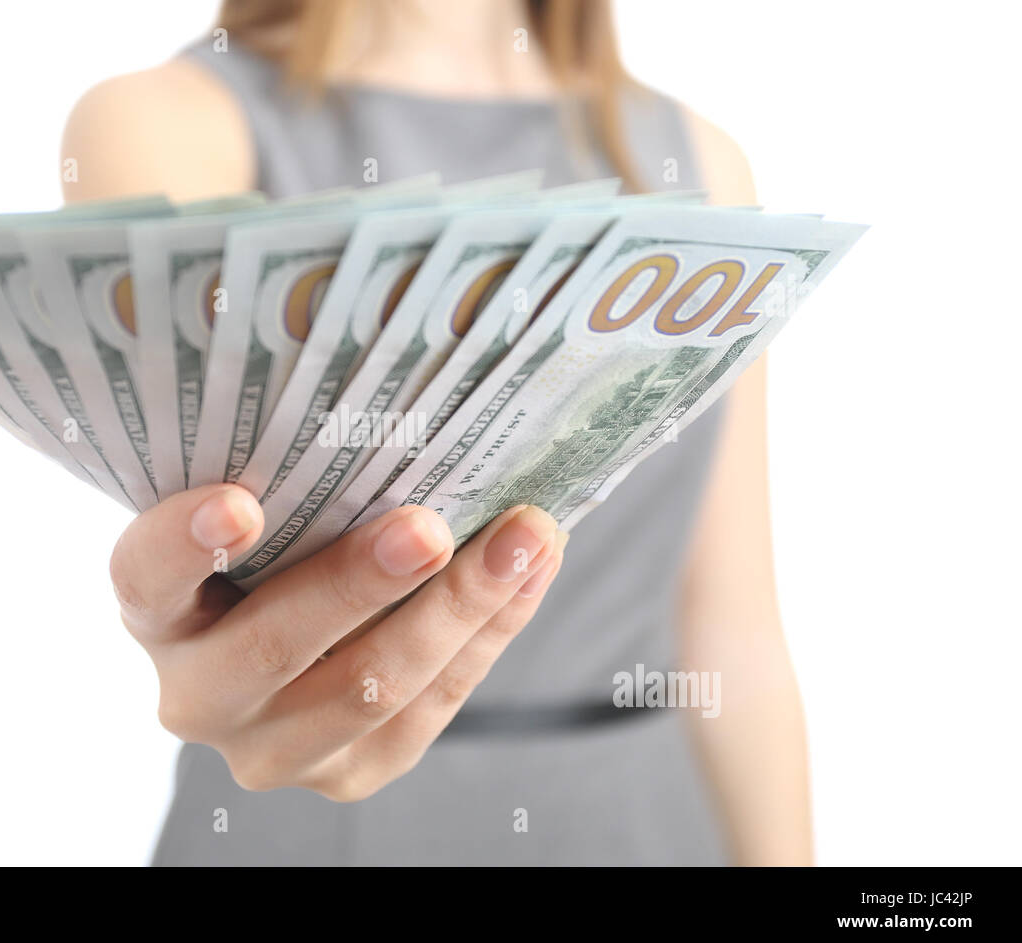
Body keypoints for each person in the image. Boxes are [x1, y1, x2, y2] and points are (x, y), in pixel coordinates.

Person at [62, 0, 810, 865]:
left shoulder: (702, 159)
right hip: (304, 830)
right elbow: (207, 587)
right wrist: (204, 653)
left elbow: (732, 624)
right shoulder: (172, 124)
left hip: (641, 822)